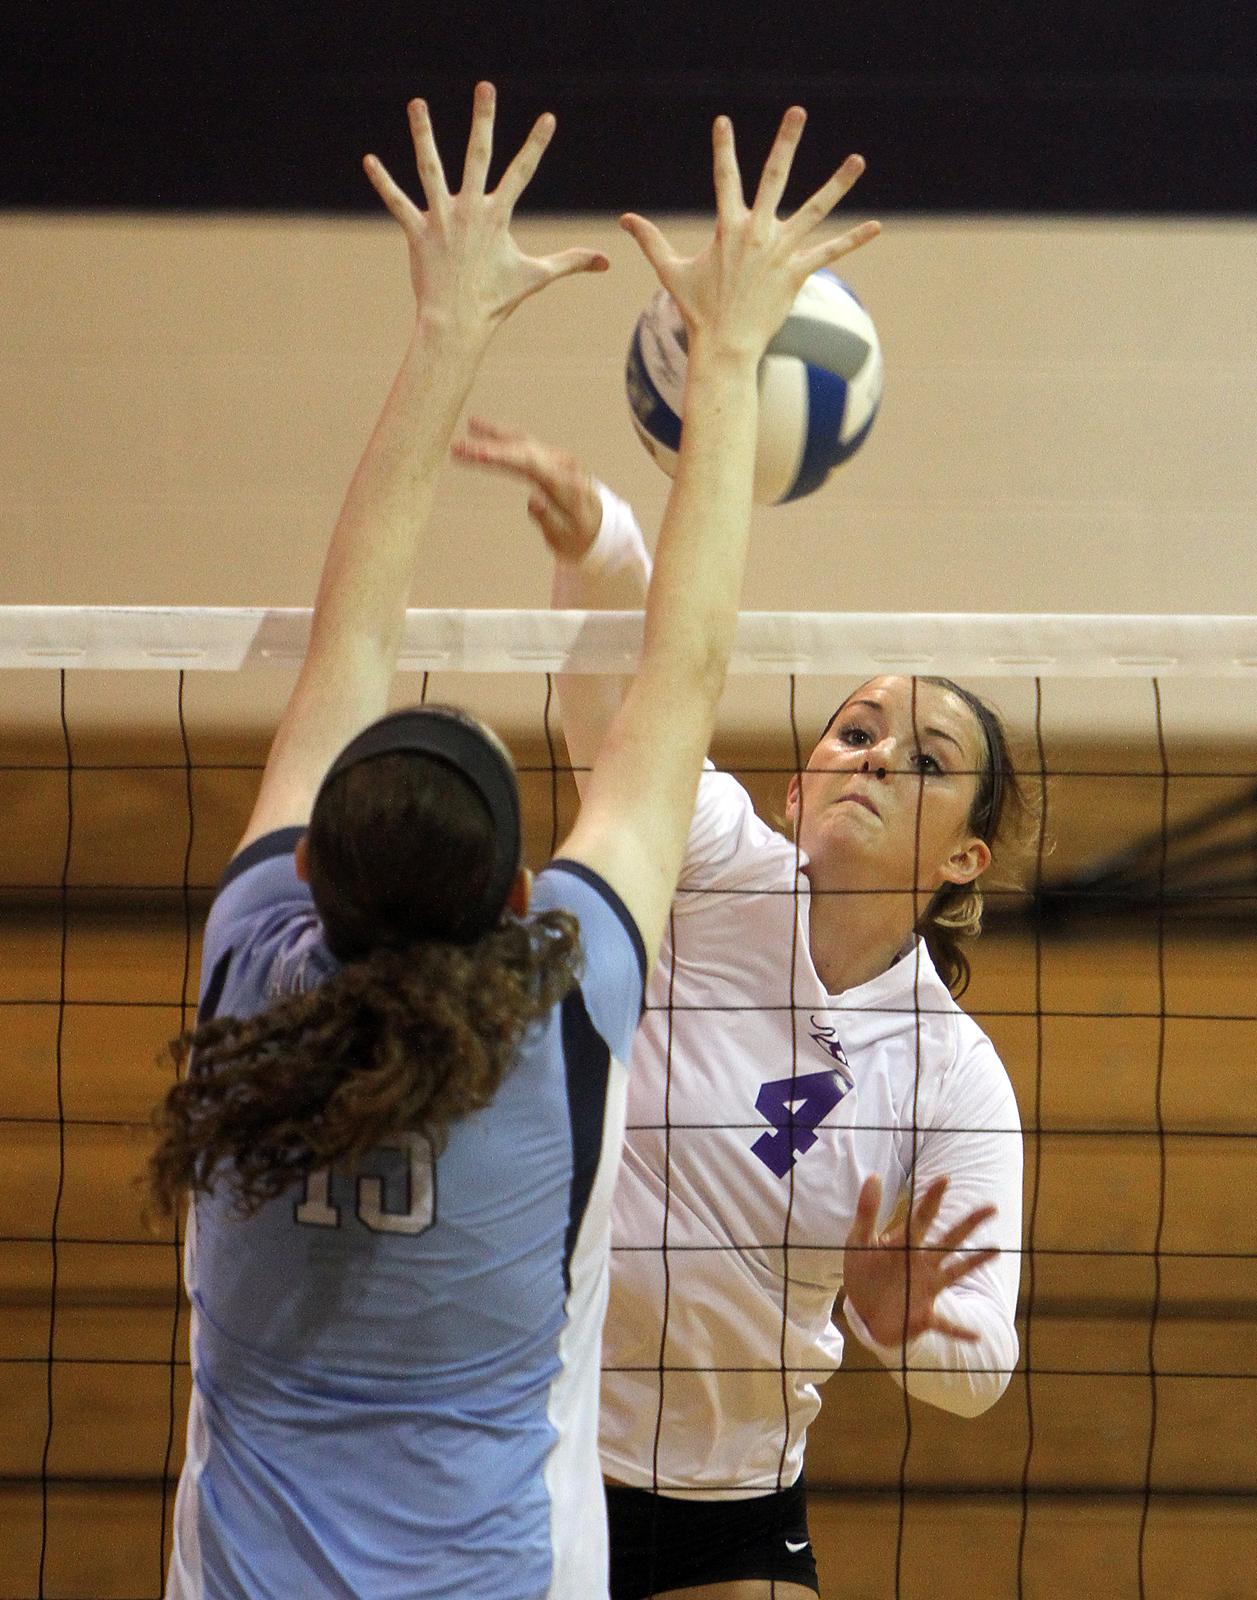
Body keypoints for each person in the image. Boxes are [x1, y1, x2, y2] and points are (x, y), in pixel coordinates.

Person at [148, 83, 880, 1600]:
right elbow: (680, 672)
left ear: (307, 876)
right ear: (525, 893)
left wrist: (446, 327)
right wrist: (728, 355)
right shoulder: (564, 1023)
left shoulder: (248, 982)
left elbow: (347, 649)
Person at [454, 409, 1029, 1593]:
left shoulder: (953, 1072)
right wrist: (602, 545)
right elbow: (625, 695)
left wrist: (909, 1324)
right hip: (534, 1455)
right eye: (856, 732)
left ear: (965, 858)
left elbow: (984, 1363)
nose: (877, 757)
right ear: (798, 786)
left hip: (732, 1501)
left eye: (926, 760)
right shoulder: (711, 861)